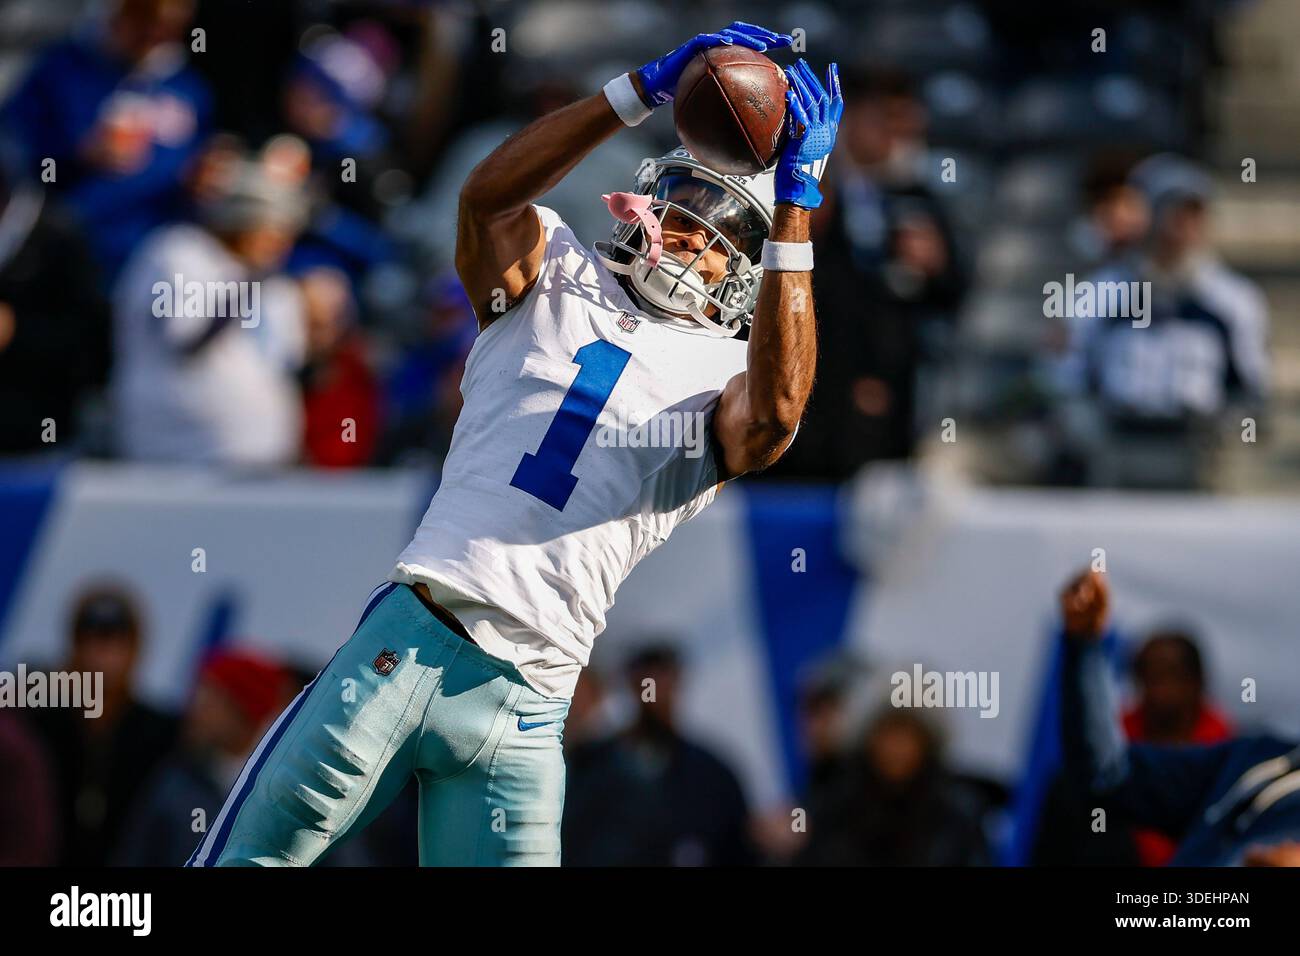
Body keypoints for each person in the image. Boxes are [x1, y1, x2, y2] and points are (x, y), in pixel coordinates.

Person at [188, 22, 841, 867]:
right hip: (413, 636)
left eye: (707, 239)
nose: (680, 238)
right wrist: (636, 89)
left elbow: (779, 412)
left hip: (531, 703)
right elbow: (485, 197)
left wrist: (798, 209)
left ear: (743, 279)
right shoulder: (557, 273)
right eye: (673, 216)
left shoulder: (725, 372)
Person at [1059, 569, 1300, 866]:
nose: (1161, 688)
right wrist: (1085, 648)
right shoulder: (1253, 758)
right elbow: (1105, 774)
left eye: (1174, 675)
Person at [110, 137, 310, 466]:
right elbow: (186, 338)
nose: (280, 242)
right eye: (272, 228)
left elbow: (285, 363)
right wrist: (248, 287)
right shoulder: (177, 252)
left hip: (264, 458)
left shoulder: (275, 284)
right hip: (177, 456)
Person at [0, 0, 211, 283]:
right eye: (145, 21)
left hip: (146, 256)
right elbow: (15, 150)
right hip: (62, 246)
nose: (154, 35)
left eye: (168, 27)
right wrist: (77, 155)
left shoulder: (187, 88)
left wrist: (198, 181)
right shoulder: (62, 69)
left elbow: (191, 169)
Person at [561, 644, 755, 866]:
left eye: (663, 678)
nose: (654, 691)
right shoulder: (592, 763)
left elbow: (738, 847)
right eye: (645, 680)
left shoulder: (712, 773)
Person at [29, 584, 179, 866]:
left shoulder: (161, 731)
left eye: (114, 643)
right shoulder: (39, 717)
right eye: (92, 641)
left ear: (133, 649)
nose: (102, 655)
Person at [114, 648, 291, 866]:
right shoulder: (174, 782)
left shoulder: (285, 795)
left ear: (243, 712)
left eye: (209, 700)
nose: (195, 711)